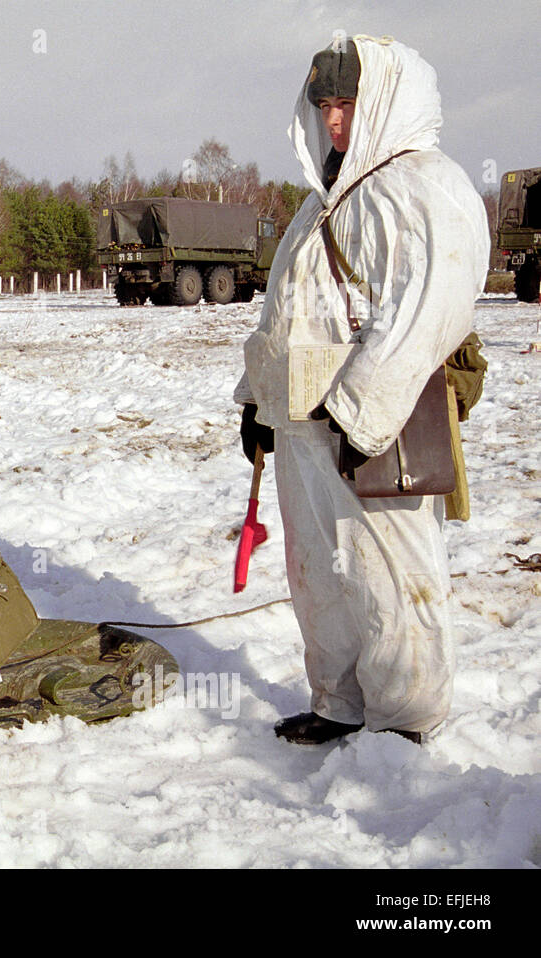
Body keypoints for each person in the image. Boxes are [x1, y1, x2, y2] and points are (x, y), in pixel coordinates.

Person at [234, 35, 490, 745]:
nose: (334, 119)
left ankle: (406, 721)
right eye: (323, 105)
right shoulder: (320, 203)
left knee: (390, 572)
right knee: (322, 574)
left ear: (382, 99)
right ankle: (340, 702)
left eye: (346, 103)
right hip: (303, 422)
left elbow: (429, 312)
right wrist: (258, 404)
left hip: (378, 426)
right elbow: (283, 312)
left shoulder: (425, 187)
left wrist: (362, 415)